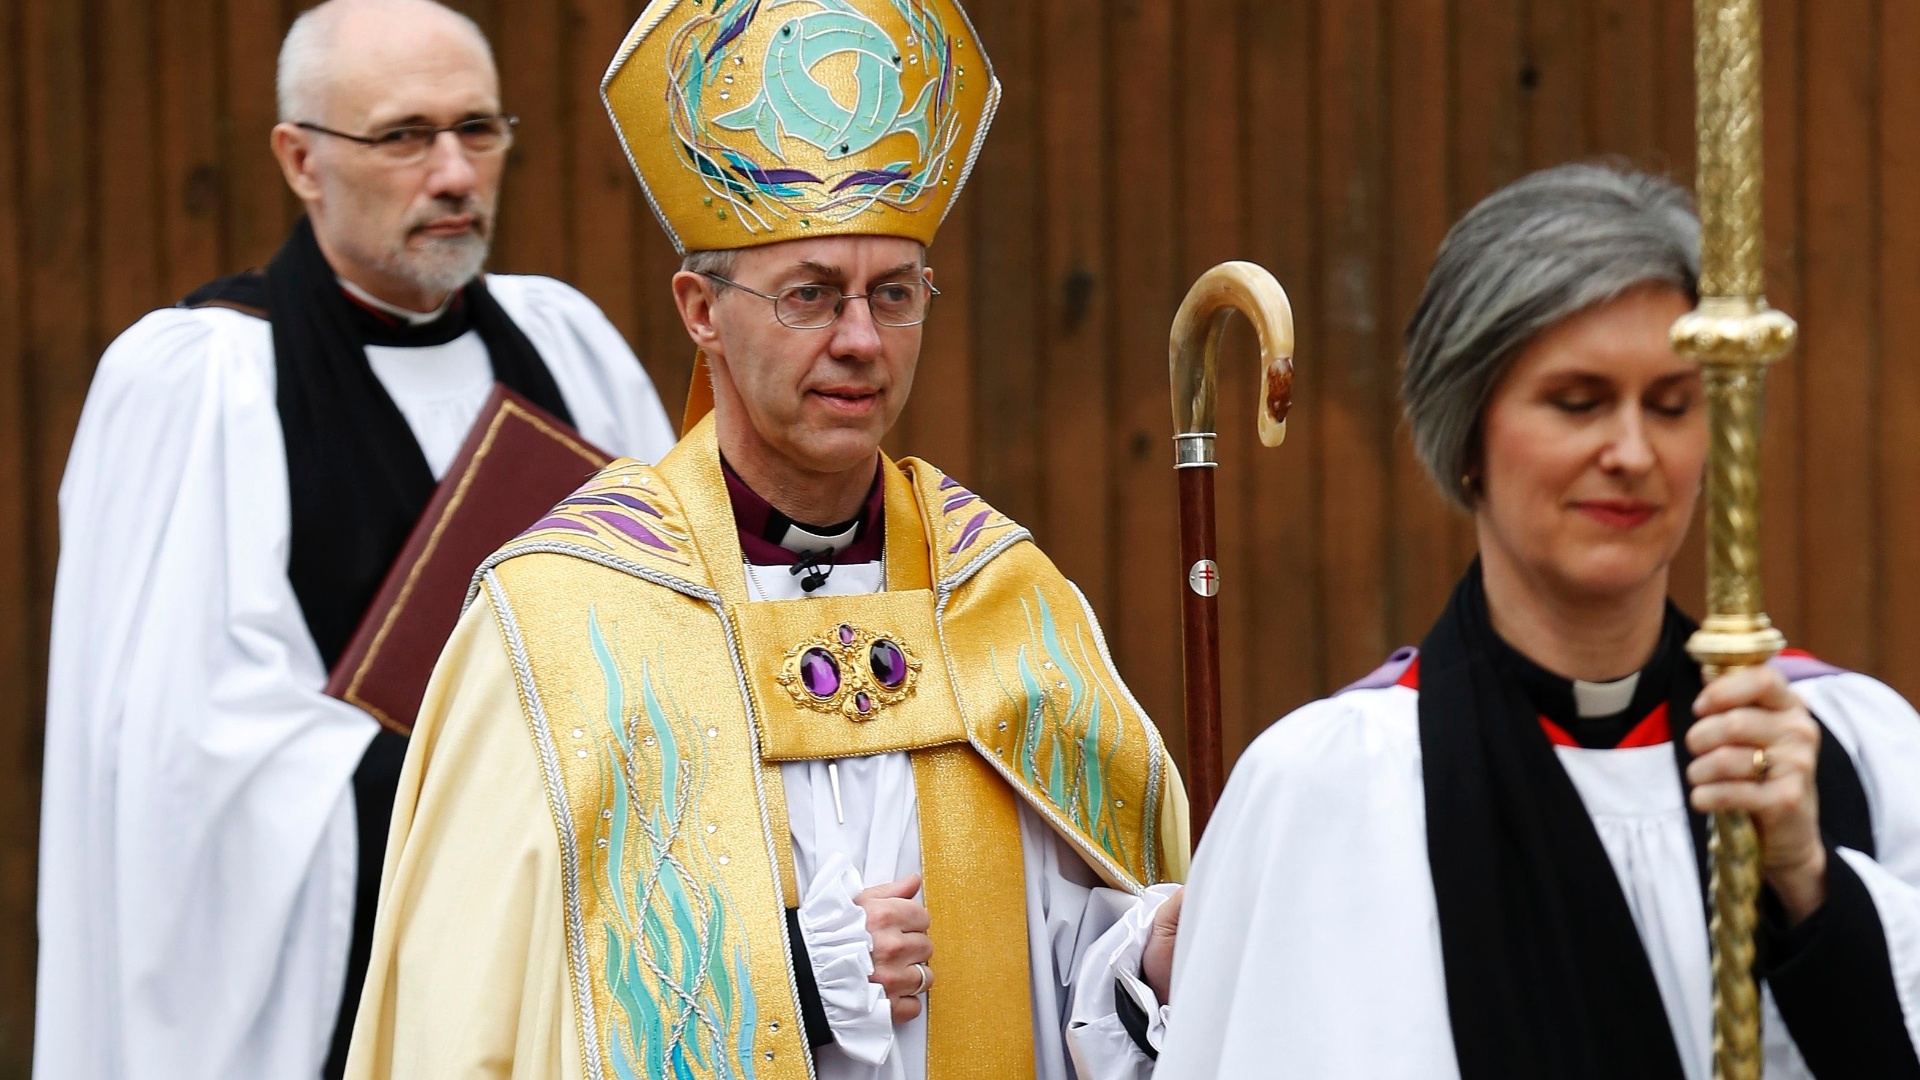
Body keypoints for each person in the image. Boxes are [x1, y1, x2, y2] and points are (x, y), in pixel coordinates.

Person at [343, 1, 1188, 1078]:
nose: (860, 343)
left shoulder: (999, 595)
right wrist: (788, 979)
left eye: (895, 294)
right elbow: (486, 1013)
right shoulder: (564, 620)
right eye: (811, 295)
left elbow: (1055, 969)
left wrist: (1146, 964)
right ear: (702, 308)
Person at [1156, 163, 1920, 1080]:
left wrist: (1809, 883)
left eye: (1674, 406)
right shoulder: (1333, 791)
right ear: (1470, 429)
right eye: (1578, 402)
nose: (1633, 452)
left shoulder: (1849, 750)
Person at [34, 1, 676, 1077]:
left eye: (479, 130)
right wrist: (472, 786)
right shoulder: (202, 382)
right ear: (300, 160)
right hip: (336, 984)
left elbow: (670, 617)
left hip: (567, 961)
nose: (456, 173)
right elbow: (175, 758)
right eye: (403, 136)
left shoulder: (567, 346)